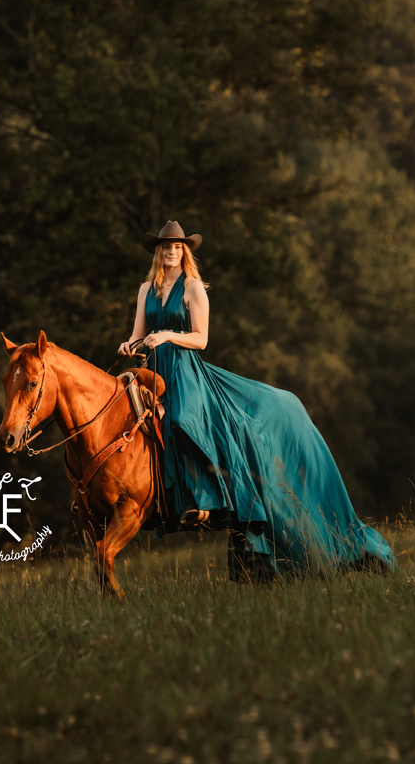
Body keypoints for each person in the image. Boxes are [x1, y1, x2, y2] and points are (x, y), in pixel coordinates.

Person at [118, 220, 395, 576]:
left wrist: (169, 335)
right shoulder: (146, 289)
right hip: (150, 369)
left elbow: (201, 339)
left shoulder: (193, 287)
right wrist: (131, 343)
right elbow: (138, 332)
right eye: (165, 247)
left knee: (181, 419)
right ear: (158, 252)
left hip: (183, 370)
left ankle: (201, 499)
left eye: (176, 247)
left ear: (183, 251)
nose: (170, 252)